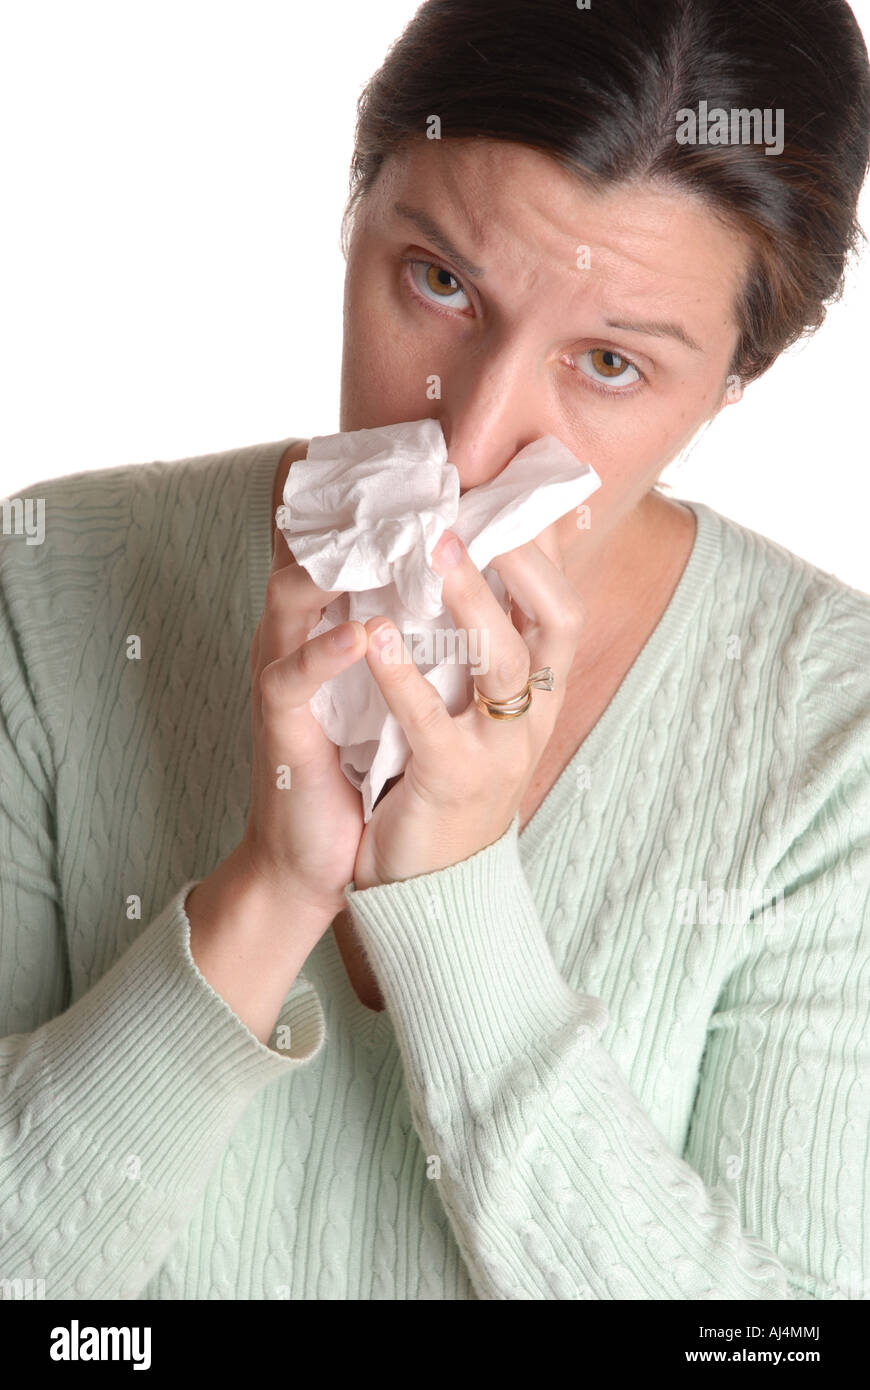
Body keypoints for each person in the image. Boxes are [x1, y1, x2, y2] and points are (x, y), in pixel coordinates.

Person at [1, 0, 869, 1301]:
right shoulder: (51, 579)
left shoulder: (830, 733)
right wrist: (266, 895)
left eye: (610, 364)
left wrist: (457, 904)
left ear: (734, 382)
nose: (466, 444)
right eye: (440, 283)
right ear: (354, 209)